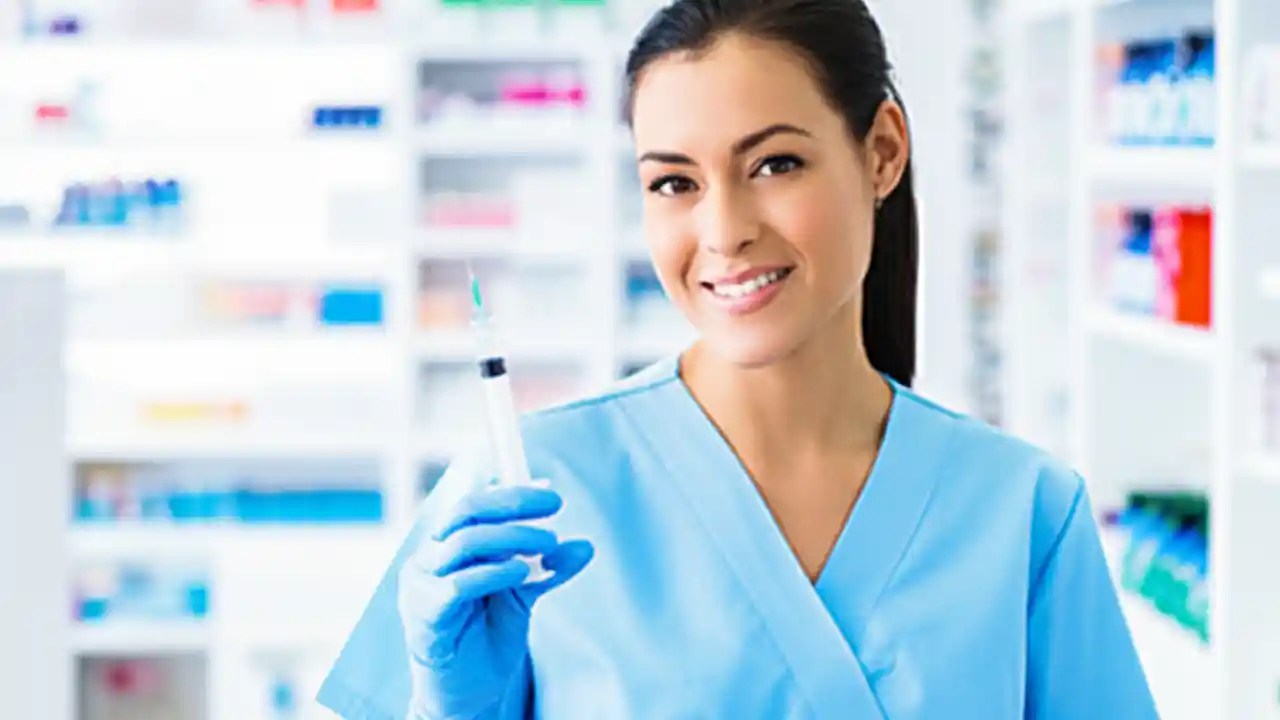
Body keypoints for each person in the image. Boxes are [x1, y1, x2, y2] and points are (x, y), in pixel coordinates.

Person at [317, 0, 1158, 717]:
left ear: (882, 153)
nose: (723, 232)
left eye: (775, 164)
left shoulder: (1023, 513)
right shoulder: (524, 496)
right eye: (674, 183)